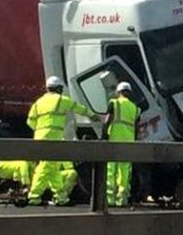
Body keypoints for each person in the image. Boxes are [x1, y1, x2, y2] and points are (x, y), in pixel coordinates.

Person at [26, 75, 98, 205]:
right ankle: (34, 196)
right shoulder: (61, 100)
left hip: (39, 136)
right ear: (59, 88)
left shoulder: (39, 102)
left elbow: (30, 121)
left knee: (52, 168)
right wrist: (93, 116)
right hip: (53, 137)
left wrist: (40, 130)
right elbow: (79, 108)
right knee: (45, 167)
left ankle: (61, 197)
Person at [103, 81, 140, 207]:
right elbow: (137, 128)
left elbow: (107, 120)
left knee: (111, 170)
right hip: (128, 142)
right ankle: (122, 200)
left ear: (118, 92)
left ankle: (110, 199)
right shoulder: (135, 108)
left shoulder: (114, 103)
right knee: (125, 171)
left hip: (114, 140)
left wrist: (103, 136)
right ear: (129, 93)